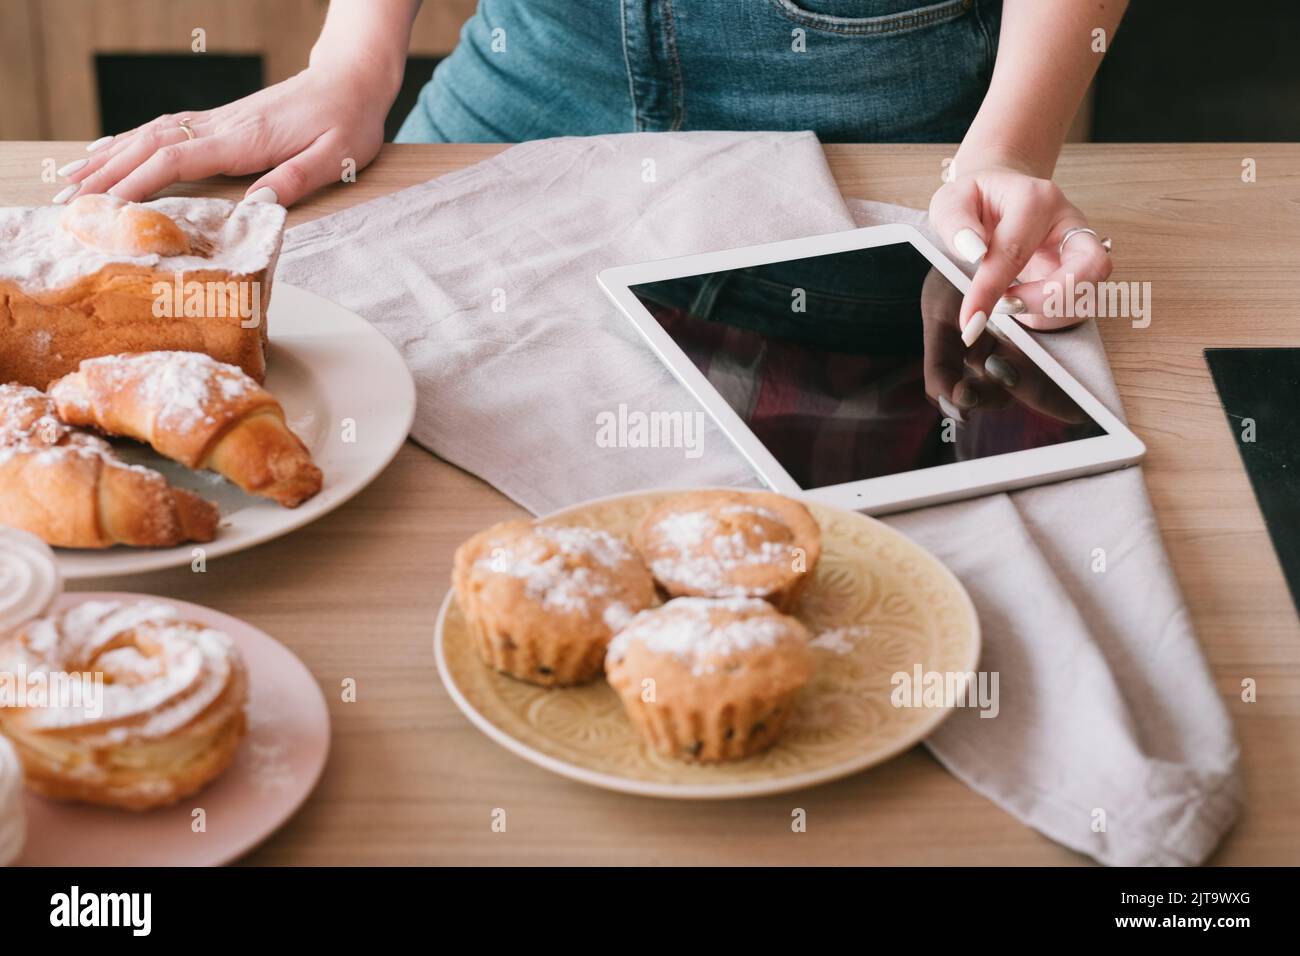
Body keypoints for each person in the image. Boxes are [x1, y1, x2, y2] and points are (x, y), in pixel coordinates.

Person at [55, 0, 1124, 343]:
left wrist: (1008, 149)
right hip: (531, 74)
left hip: (864, 97)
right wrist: (352, 62)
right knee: (324, 343)